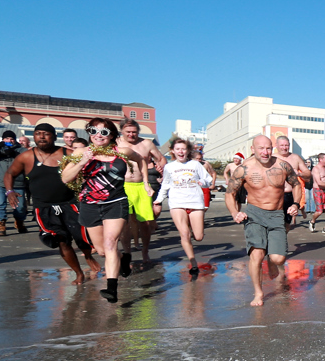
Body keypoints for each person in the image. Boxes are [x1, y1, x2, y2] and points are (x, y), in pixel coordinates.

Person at [60, 117, 148, 302]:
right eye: (94, 131)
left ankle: (112, 288)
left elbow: (141, 160)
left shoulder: (122, 151)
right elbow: (65, 178)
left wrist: (145, 182)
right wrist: (82, 162)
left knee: (110, 243)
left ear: (112, 135)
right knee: (101, 250)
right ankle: (123, 259)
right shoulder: (80, 152)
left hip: (116, 202)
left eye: (104, 132)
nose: (98, 135)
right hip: (90, 204)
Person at [3, 123, 100, 283]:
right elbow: (9, 173)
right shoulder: (26, 157)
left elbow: (89, 170)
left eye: (46, 134)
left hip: (70, 203)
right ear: (33, 136)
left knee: (81, 237)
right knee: (61, 240)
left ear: (54, 137)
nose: (41, 136)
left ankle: (88, 256)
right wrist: (9, 191)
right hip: (44, 206)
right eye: (38, 133)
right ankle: (78, 273)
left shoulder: (67, 154)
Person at [225, 135, 302, 307]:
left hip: (276, 214)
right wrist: (234, 213)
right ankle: (258, 293)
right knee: (256, 255)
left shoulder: (282, 165)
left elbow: (296, 184)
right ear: (253, 149)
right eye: (261, 148)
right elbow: (229, 193)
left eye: (268, 148)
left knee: (278, 259)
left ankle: (271, 259)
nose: (265, 152)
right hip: (254, 214)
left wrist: (296, 203)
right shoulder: (243, 169)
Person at [154, 138, 214, 274]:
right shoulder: (169, 167)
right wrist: (158, 200)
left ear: (188, 151)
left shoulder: (195, 164)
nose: (181, 151)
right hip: (177, 202)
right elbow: (165, 185)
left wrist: (202, 182)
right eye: (178, 149)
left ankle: (191, 230)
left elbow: (208, 180)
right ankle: (193, 263)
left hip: (195, 202)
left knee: (198, 237)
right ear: (172, 151)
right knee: (184, 234)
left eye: (183, 149)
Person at [117, 119, 166, 273]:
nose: (131, 135)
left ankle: (145, 251)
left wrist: (161, 165)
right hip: (122, 186)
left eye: (134, 132)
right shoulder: (116, 143)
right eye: (128, 132)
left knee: (145, 223)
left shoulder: (146, 144)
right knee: (125, 223)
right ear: (121, 132)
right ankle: (128, 253)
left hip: (142, 186)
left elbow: (161, 158)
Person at [0, 131, 26, 236]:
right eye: (7, 138)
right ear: (3, 139)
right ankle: (0, 225)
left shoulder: (19, 148)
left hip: (17, 182)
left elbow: (26, 155)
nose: (9, 141)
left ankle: (19, 221)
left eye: (11, 139)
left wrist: (14, 151)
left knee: (20, 206)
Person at [274, 135, 312, 231]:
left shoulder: (295, 158)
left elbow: (308, 174)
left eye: (286, 145)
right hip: (274, 194)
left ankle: (282, 242)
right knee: (274, 222)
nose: (284, 148)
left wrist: (298, 174)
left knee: (287, 222)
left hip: (289, 195)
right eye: (282, 145)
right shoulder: (272, 158)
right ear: (276, 145)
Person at [307, 154, 325, 233]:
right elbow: (319, 183)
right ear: (320, 159)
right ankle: (312, 221)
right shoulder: (316, 169)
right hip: (318, 190)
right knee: (319, 211)